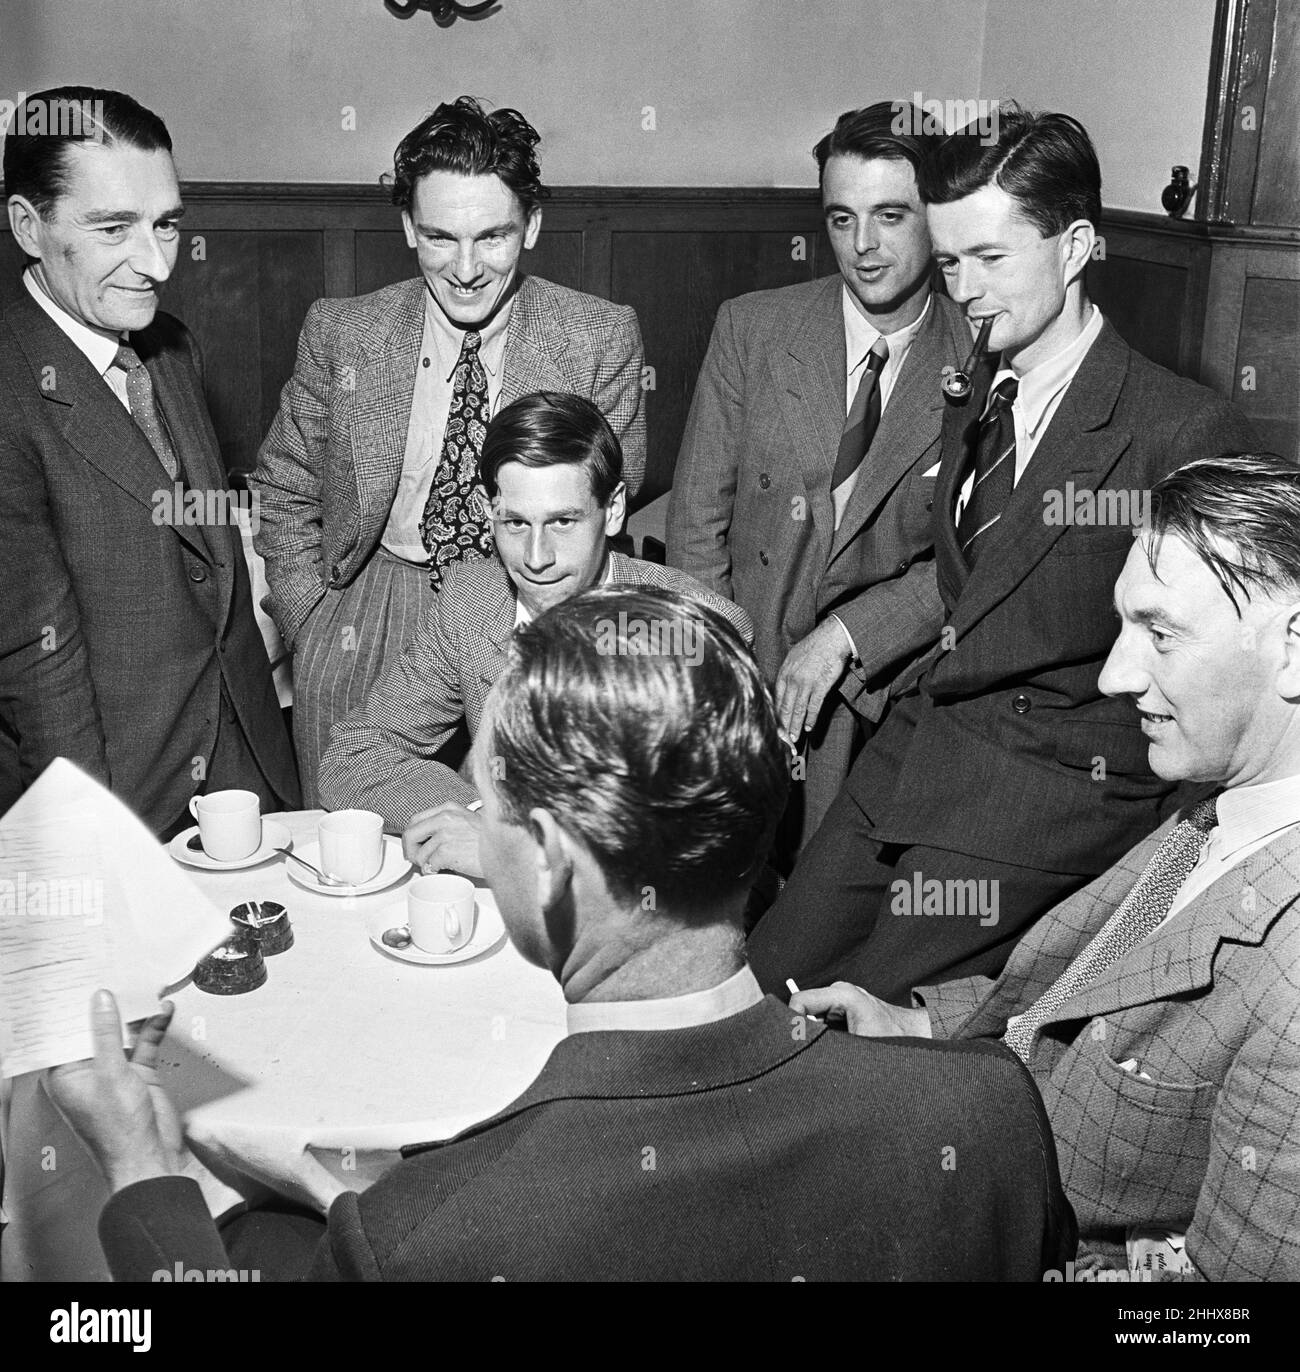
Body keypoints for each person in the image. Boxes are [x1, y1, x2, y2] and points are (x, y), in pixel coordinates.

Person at [46, 587, 1075, 1282]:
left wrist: (145, 1170)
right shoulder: (985, 1112)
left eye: (487, 807)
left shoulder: (428, 1239)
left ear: (545, 859)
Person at [748, 105, 1258, 1000]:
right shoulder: (974, 389)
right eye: (949, 263)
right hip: (921, 748)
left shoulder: (1177, 426)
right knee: (768, 973)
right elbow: (967, 587)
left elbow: (1220, 663)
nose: (965, 290)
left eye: (991, 258)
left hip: (1046, 793)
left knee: (862, 1020)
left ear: (1074, 249)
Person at [792, 454, 1300, 1281]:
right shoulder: (1213, 798)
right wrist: (916, 1027)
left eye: (1161, 634)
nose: (1114, 675)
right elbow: (1073, 1002)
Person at [250, 96, 646, 804]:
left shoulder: (598, 337)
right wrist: (313, 621)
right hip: (366, 612)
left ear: (531, 228)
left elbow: (604, 506)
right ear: (407, 226)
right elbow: (283, 487)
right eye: (440, 237)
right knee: (352, 853)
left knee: (510, 853)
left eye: (492, 236)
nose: (465, 268)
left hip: (523, 613)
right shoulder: (344, 332)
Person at [666, 101, 970, 862]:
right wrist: (720, 680)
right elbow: (697, 524)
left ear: (938, 217)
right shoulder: (753, 329)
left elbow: (972, 558)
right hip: (740, 679)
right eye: (841, 219)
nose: (862, 247)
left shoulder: (984, 353)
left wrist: (845, 636)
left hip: (881, 696)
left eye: (890, 216)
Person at [0, 87, 299, 836]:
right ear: (28, 226)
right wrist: (97, 849)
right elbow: (38, 666)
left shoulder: (170, 347)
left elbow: (191, 528)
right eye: (114, 228)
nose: (157, 263)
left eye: (166, 224)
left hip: (246, 769)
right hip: (118, 799)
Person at [318, 391, 752, 877]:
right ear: (489, 509)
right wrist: (480, 819)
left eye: (563, 522)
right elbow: (356, 753)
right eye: (516, 523)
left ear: (612, 510)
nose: (536, 557)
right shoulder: (471, 602)